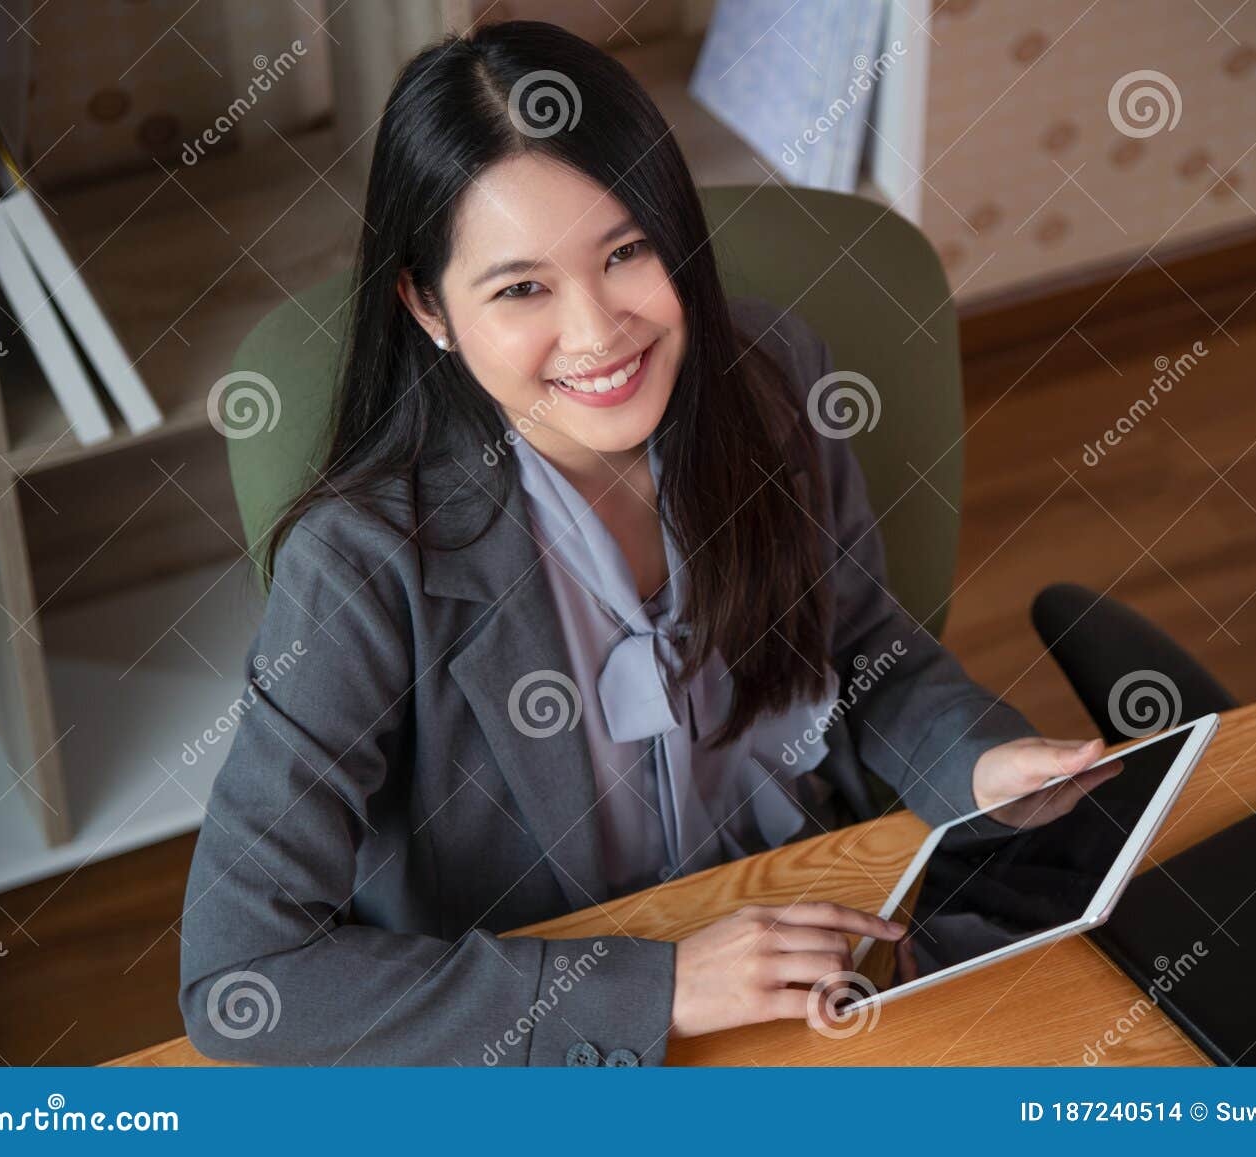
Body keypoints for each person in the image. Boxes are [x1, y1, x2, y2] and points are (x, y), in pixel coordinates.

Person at [178, 19, 1111, 1067]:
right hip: (571, 1039)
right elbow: (242, 976)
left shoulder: (773, 385)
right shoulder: (362, 560)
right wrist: (664, 986)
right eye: (521, 286)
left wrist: (976, 761)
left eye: (626, 251)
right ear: (427, 305)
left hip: (824, 945)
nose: (596, 332)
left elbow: (861, 654)